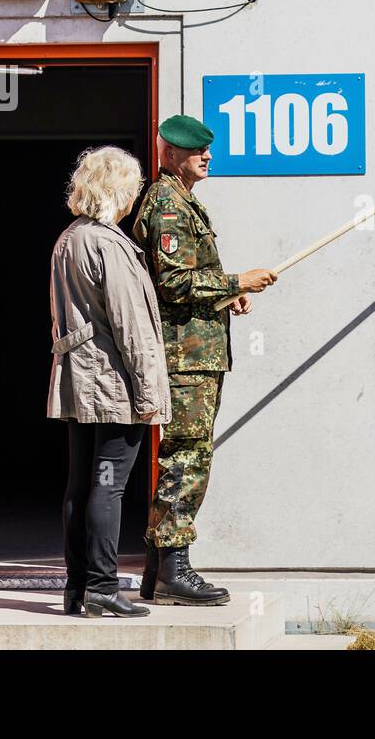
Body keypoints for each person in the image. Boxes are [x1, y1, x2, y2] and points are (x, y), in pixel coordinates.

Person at [132, 114, 276, 605]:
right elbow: (172, 283)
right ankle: (174, 569)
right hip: (186, 356)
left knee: (187, 454)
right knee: (187, 458)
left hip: (198, 351)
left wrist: (223, 297)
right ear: (168, 153)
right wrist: (235, 282)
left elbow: (188, 282)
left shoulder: (183, 200)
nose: (206, 157)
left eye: (207, 150)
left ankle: (157, 573)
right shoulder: (168, 205)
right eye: (196, 151)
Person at [47, 146, 172, 618]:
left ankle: (77, 587)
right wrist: (147, 394)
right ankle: (102, 586)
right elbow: (131, 325)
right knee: (109, 485)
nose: (137, 195)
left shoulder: (69, 238)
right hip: (112, 382)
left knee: (82, 484)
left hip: (78, 380)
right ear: (119, 189)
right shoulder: (108, 243)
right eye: (134, 186)